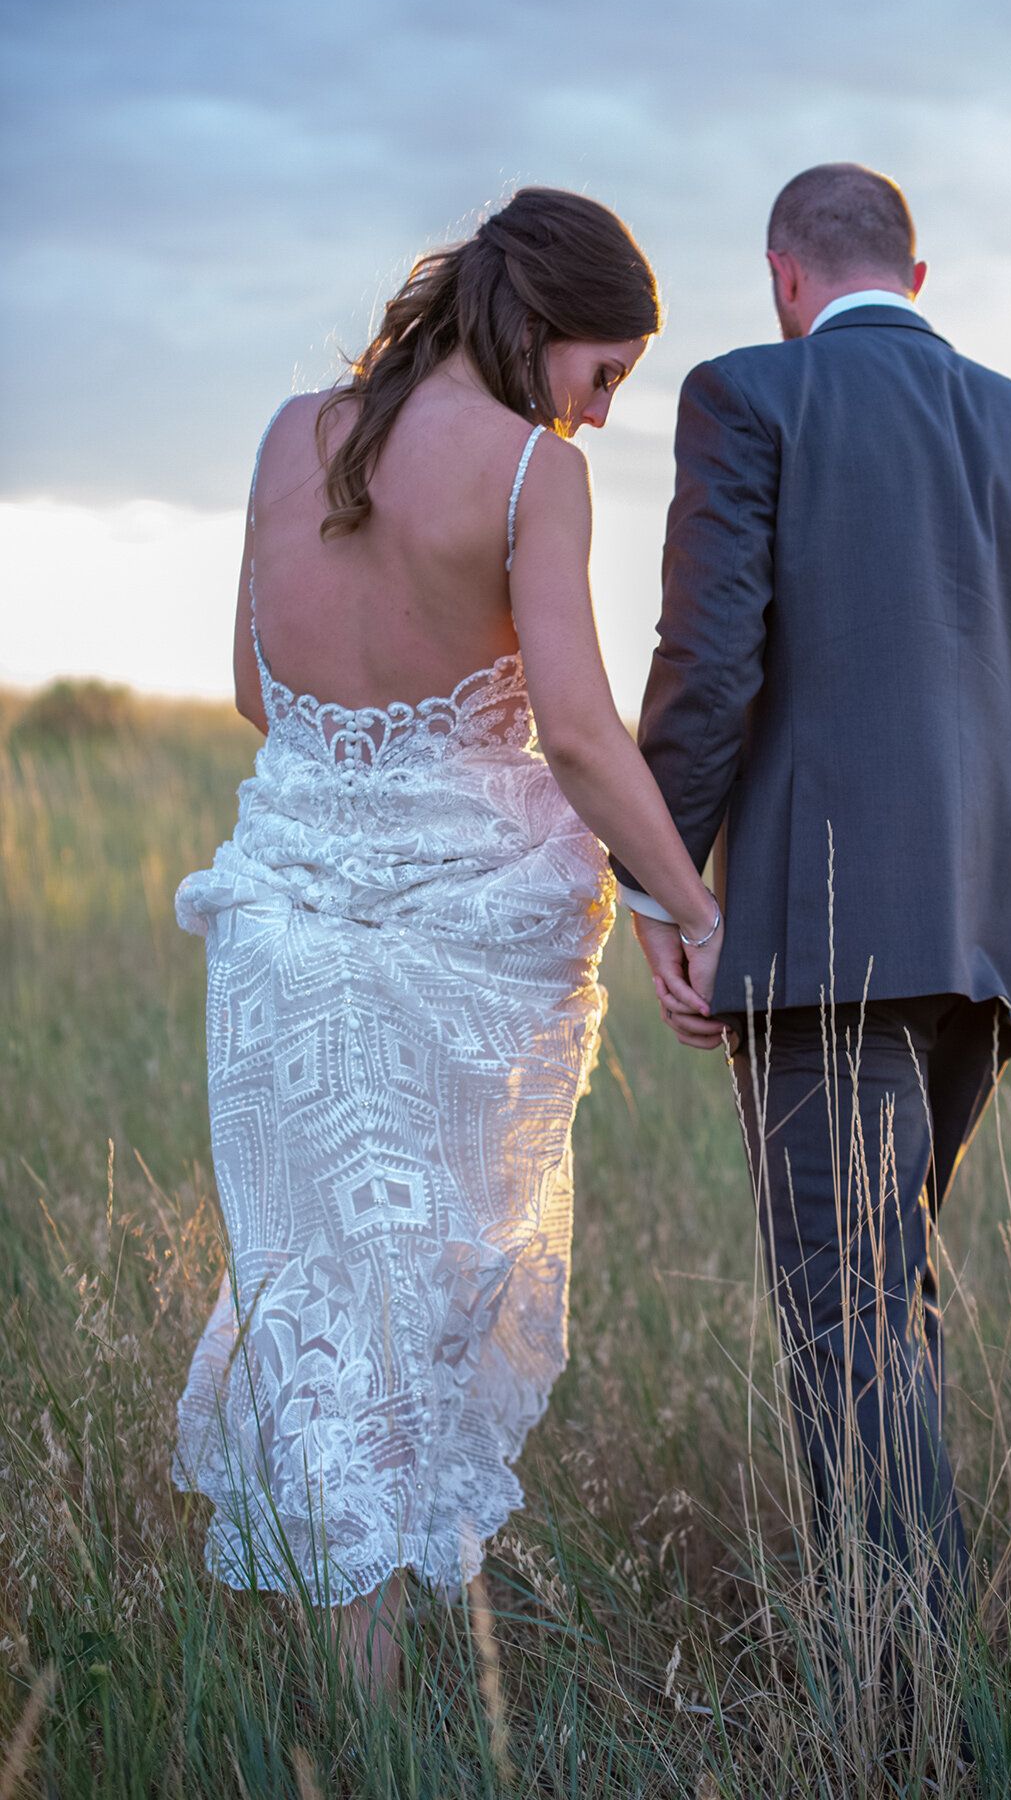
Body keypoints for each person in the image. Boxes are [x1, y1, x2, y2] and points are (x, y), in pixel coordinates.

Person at [172, 187, 722, 1691]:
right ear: (541, 329)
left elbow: (253, 688)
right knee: (415, 1306)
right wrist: (691, 900)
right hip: (453, 951)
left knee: (315, 1295)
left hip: (283, 926)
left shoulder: (297, 432)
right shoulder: (533, 476)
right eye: (602, 374)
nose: (601, 414)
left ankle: (341, 1672)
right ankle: (370, 1710)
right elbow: (588, 739)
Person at [617, 163, 1011, 1649]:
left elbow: (708, 658)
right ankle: (903, 1653)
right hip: (990, 951)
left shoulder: (750, 398)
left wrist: (660, 884)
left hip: (819, 937)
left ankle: (907, 1692)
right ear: (914, 282)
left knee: (851, 1320)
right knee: (882, 1303)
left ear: (784, 277)